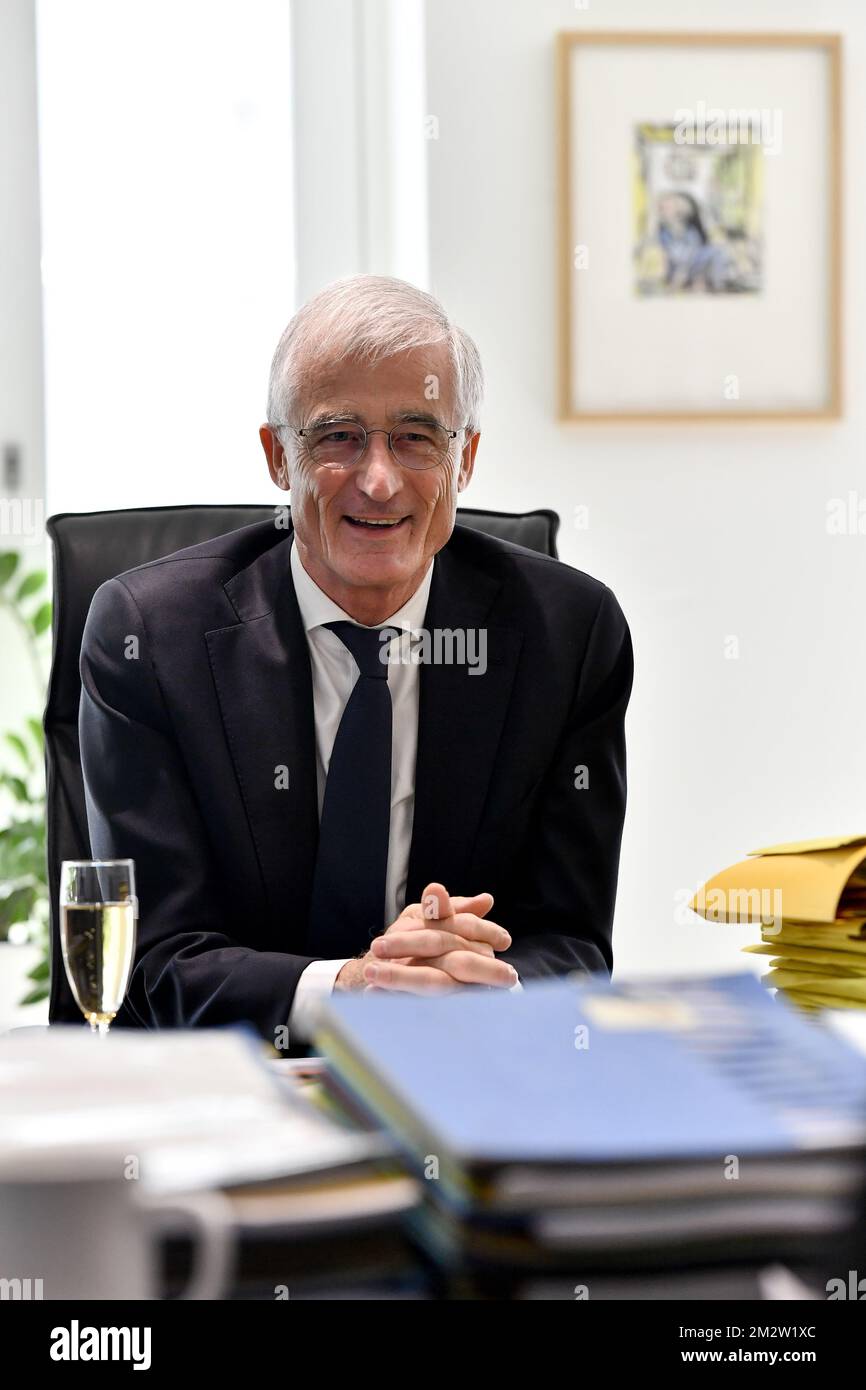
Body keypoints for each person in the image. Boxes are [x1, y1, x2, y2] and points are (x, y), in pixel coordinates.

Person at [78, 275, 633, 1049]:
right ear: (279, 457)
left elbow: (571, 945)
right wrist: (356, 987)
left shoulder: (569, 635)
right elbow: (158, 962)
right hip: (229, 1092)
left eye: (417, 436)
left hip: (463, 1083)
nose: (379, 479)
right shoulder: (149, 636)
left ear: (464, 458)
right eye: (338, 436)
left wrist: (461, 987)